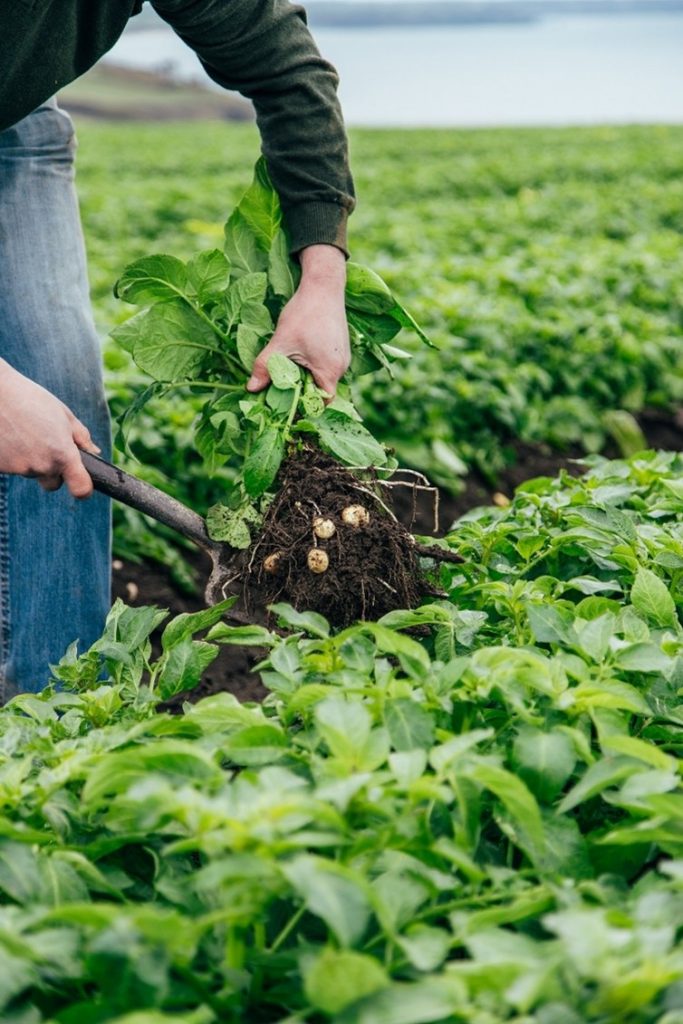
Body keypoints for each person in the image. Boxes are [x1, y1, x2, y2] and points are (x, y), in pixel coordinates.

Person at [0, 0, 355, 701]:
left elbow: (287, 70)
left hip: (17, 119)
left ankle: (59, 716)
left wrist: (322, 281)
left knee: (60, 398)